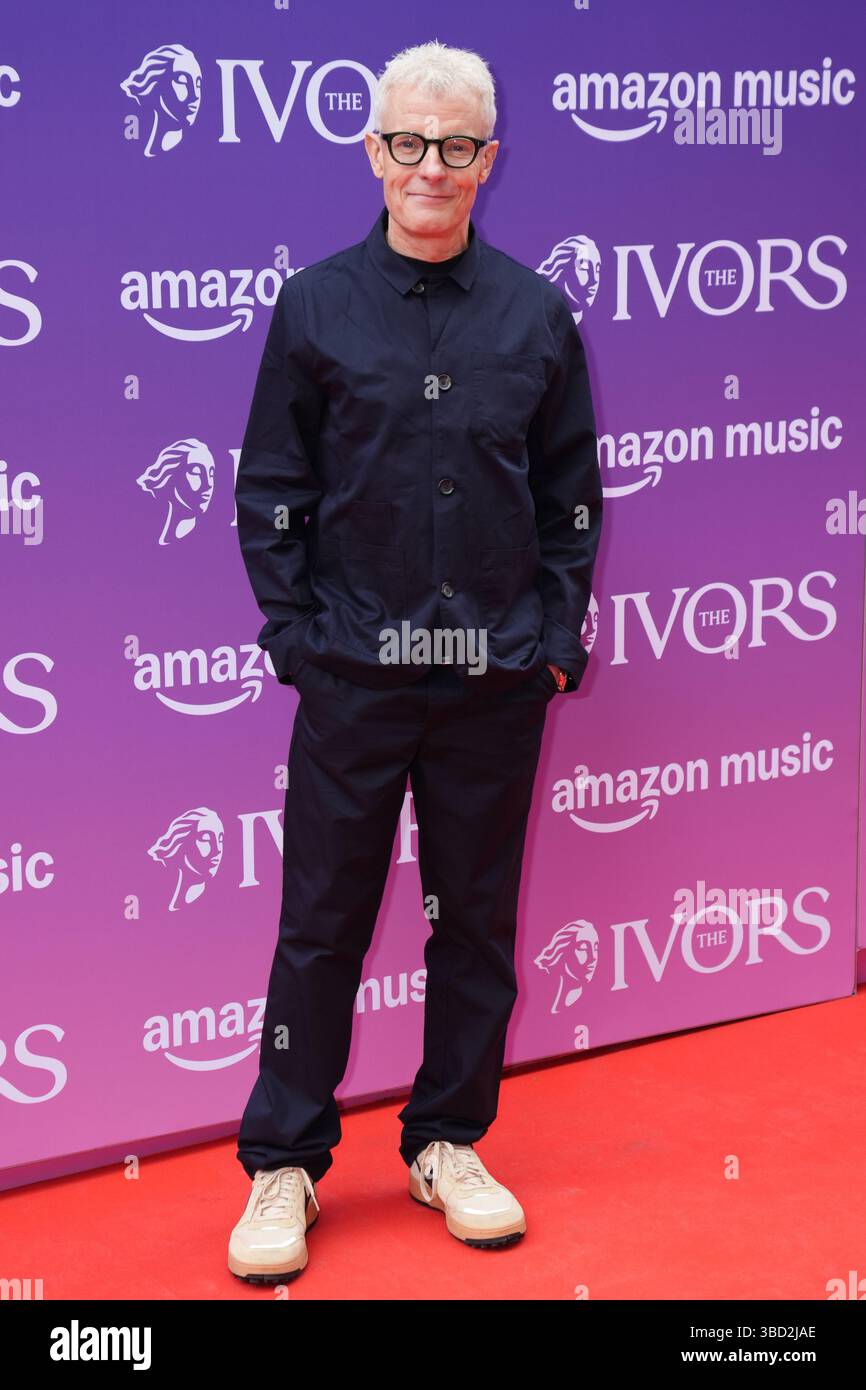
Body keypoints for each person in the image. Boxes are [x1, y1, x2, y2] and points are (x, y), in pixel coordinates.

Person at [228, 39, 603, 1283]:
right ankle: (284, 1159)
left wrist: (551, 642)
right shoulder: (315, 305)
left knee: (474, 926)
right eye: (406, 141)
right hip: (353, 677)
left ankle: (447, 1138)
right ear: (372, 150)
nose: (428, 166)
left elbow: (569, 496)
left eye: (454, 146)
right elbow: (272, 487)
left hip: (492, 682)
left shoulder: (535, 312)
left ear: (488, 162)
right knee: (319, 924)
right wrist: (296, 639)